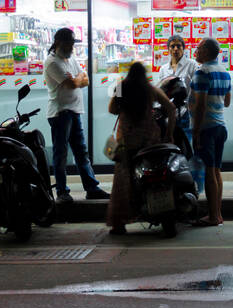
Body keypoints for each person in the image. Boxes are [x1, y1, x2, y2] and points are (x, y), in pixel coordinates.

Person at [106, 63, 177, 235]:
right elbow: (171, 108)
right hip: (149, 140)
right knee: (157, 172)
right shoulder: (150, 89)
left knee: (123, 179)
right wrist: (169, 134)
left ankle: (119, 224)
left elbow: (111, 109)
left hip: (127, 141)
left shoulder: (121, 87)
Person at [44, 27, 109, 202]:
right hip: (60, 113)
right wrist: (77, 79)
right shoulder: (52, 62)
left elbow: (85, 79)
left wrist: (77, 79)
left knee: (81, 152)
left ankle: (91, 187)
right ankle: (62, 192)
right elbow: (71, 84)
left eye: (73, 43)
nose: (72, 47)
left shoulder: (70, 59)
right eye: (69, 43)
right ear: (58, 43)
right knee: (61, 153)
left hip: (74, 111)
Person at [189, 38, 231, 227]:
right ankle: (218, 213)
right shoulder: (224, 72)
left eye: (198, 48)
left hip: (207, 127)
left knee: (208, 171)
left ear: (206, 51)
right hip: (221, 126)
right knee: (216, 171)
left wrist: (196, 131)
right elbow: (227, 101)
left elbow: (200, 105)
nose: (195, 51)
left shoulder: (202, 72)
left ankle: (213, 216)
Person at [156, 35, 201, 190]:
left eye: (178, 46)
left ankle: (191, 185)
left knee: (187, 150)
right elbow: (161, 93)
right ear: (168, 49)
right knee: (172, 150)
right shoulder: (163, 69)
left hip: (186, 114)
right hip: (169, 116)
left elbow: (196, 91)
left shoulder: (192, 65)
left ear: (184, 48)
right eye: (172, 46)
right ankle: (176, 185)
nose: (175, 49)